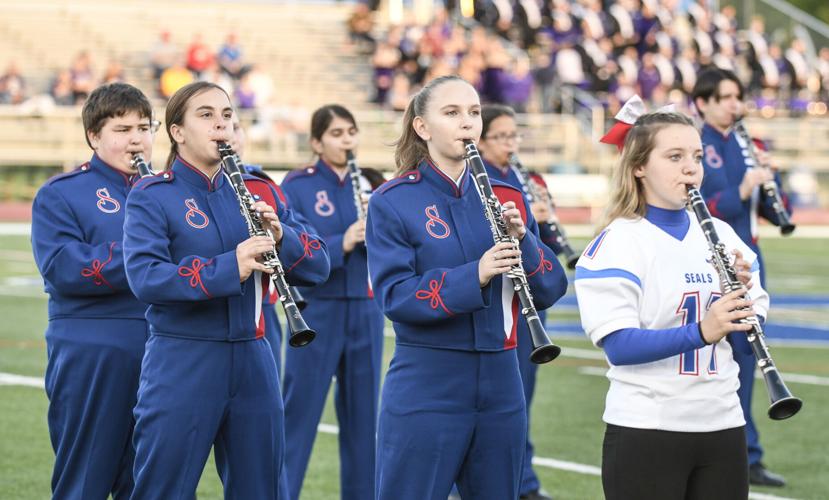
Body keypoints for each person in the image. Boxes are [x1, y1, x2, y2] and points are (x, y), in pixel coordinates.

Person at [122, 81, 330, 499]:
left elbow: (319, 265)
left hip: (256, 358)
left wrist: (281, 233)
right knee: (163, 487)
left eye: (227, 115)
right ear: (177, 132)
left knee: (262, 489)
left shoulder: (259, 189)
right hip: (183, 357)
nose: (222, 124)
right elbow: (146, 277)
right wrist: (228, 266)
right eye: (206, 115)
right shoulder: (153, 194)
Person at [366, 75, 568, 500]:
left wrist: (525, 241)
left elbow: (551, 286)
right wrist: (475, 274)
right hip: (427, 380)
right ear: (422, 127)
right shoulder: (392, 200)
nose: (467, 123)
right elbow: (395, 296)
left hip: (502, 379)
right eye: (452, 113)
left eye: (474, 113)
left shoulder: (507, 195)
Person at [577, 100, 769, 499]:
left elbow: (744, 343)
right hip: (648, 428)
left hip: (722, 424)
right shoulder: (618, 242)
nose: (690, 168)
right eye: (675, 156)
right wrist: (703, 330)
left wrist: (740, 306)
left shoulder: (724, 235)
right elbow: (619, 346)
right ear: (638, 166)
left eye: (697, 156)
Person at [31, 82, 156, 499]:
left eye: (144, 126)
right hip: (93, 351)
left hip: (166, 352)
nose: (137, 138)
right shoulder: (62, 192)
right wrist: (146, 252)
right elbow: (65, 268)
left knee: (155, 482)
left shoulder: (170, 193)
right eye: (122, 129)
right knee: (85, 480)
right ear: (94, 136)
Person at [280, 104, 386, 500]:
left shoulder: (372, 183)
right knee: (299, 412)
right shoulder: (298, 185)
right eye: (337, 134)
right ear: (316, 142)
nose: (347, 141)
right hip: (317, 309)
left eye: (351, 132)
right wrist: (341, 241)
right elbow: (291, 249)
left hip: (366, 306)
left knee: (363, 418)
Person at [692, 67, 791, 487]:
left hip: (748, 259)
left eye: (738, 96)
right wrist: (745, 188)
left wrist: (771, 180)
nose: (735, 104)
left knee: (749, 357)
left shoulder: (750, 144)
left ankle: (746, 453)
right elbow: (706, 206)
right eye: (725, 97)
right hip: (708, 262)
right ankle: (717, 449)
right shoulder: (697, 146)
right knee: (712, 359)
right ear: (704, 102)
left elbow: (770, 209)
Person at [476, 103, 559, 500]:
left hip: (529, 298)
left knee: (521, 396)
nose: (510, 144)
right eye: (501, 136)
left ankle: (522, 479)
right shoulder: (477, 180)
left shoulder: (529, 179)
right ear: (481, 140)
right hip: (495, 299)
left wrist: (541, 221)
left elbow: (549, 249)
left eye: (514, 136)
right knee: (498, 399)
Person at [229, 114, 285, 373]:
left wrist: (280, 237)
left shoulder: (263, 185)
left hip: (264, 307)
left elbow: (315, 257)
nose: (231, 135)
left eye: (237, 128)